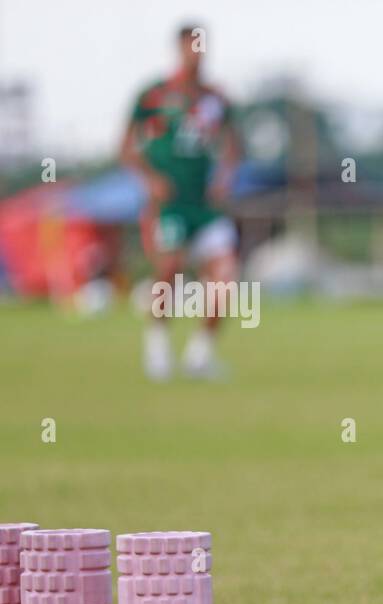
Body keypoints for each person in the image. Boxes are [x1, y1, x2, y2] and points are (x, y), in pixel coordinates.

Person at [119, 23, 240, 381]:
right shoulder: (154, 95)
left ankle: (200, 355)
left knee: (225, 278)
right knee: (169, 270)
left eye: (202, 46)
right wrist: (151, 179)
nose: (197, 53)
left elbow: (233, 147)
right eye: (191, 45)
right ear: (179, 47)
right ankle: (156, 348)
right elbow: (126, 148)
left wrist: (225, 176)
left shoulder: (215, 98)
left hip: (205, 205)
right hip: (171, 205)